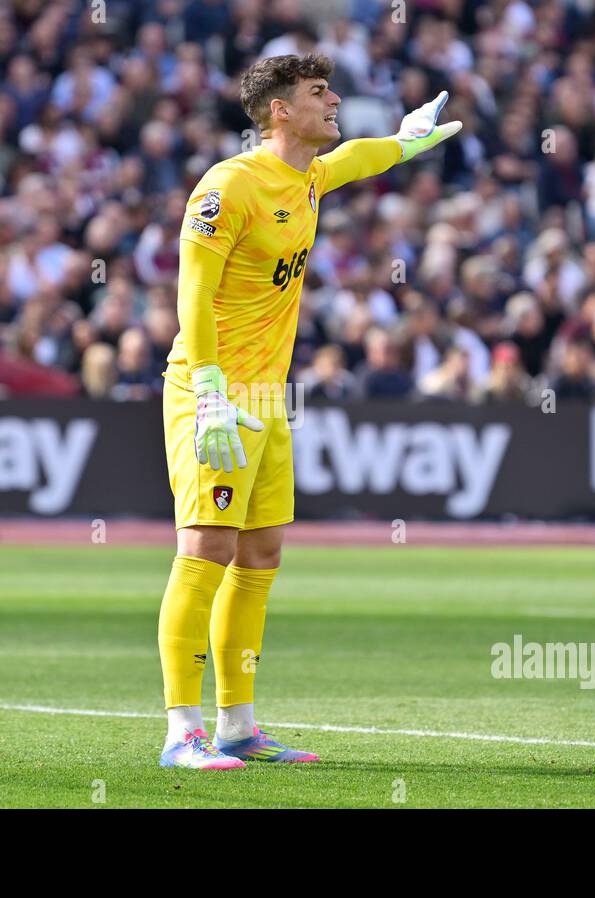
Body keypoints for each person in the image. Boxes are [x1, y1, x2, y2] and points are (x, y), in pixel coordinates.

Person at [156, 54, 460, 769]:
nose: (335, 100)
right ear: (279, 111)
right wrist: (208, 391)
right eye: (319, 93)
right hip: (213, 395)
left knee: (259, 555)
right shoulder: (229, 186)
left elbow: (357, 157)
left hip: (269, 398)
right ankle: (182, 732)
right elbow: (192, 293)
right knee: (205, 550)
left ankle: (237, 725)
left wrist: (407, 140)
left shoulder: (310, 176)